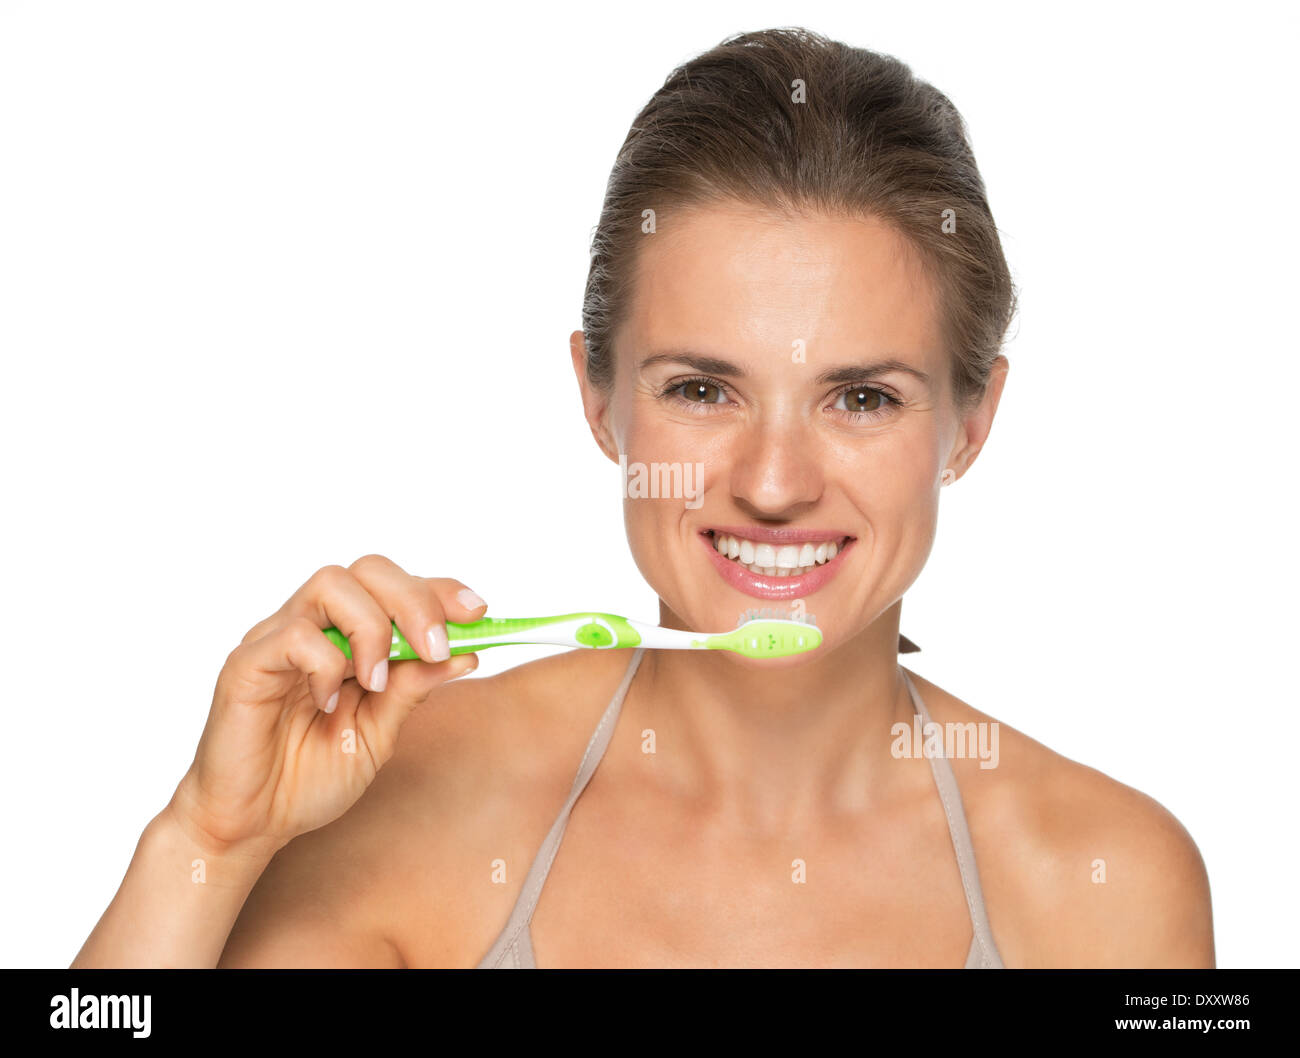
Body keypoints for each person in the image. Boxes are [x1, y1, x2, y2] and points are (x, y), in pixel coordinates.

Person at [72, 26, 1214, 969]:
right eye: (704, 388)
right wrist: (209, 840)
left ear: (971, 420)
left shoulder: (1108, 882)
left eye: (861, 397)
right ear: (598, 397)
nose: (772, 484)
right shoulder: (409, 787)